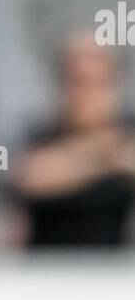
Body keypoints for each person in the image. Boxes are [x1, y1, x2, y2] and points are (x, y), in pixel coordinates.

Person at [10, 31, 135, 248]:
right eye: (78, 82)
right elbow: (28, 177)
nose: (87, 95)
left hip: (115, 277)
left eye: (97, 83)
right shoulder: (41, 134)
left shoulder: (127, 129)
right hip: (47, 274)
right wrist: (107, 156)